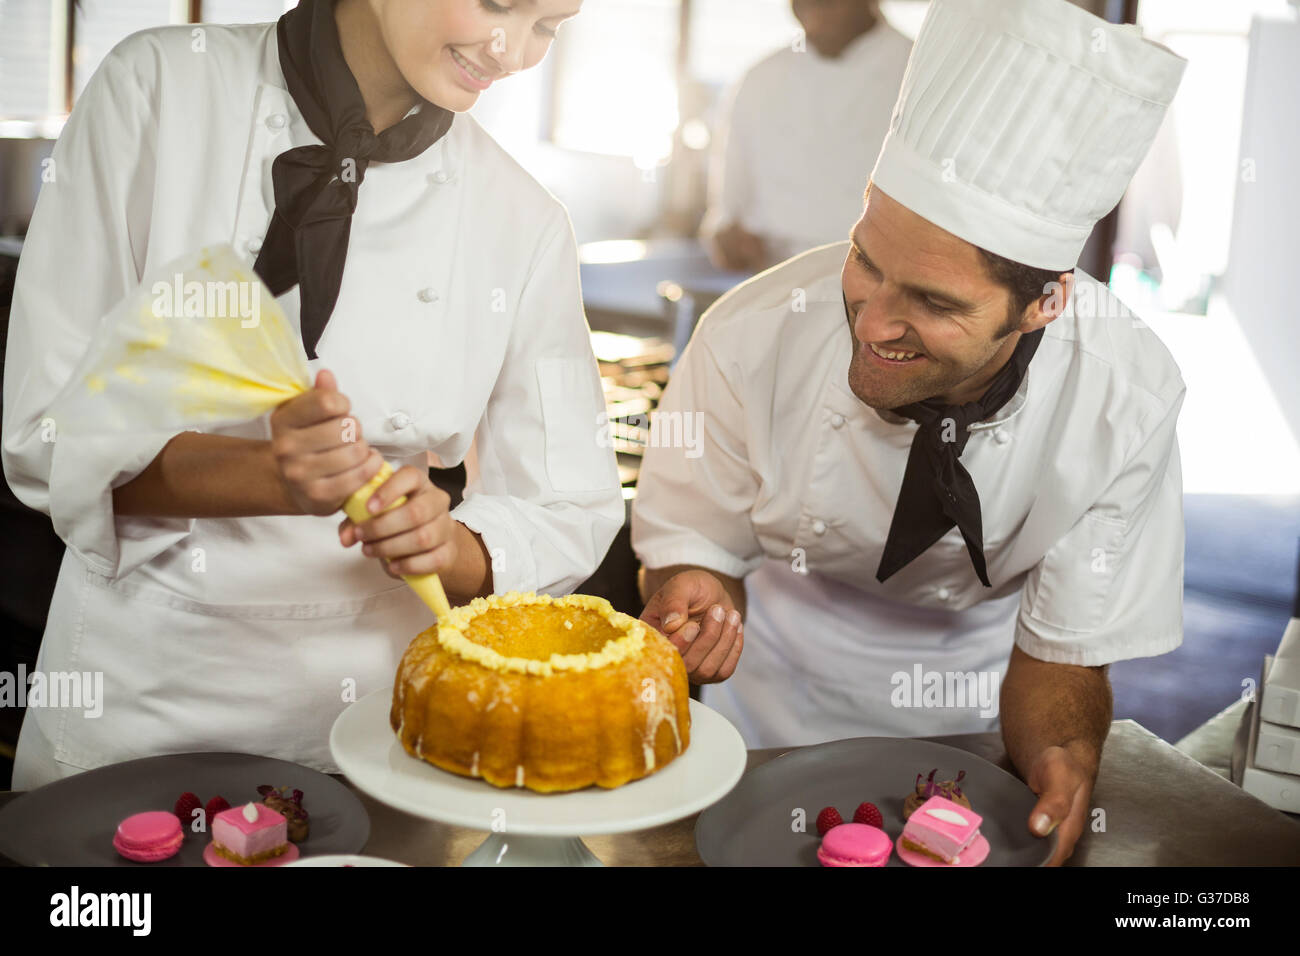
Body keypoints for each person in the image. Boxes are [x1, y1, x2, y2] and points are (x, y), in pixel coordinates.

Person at [2, 0, 622, 789]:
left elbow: (570, 501)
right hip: (139, 709)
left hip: (384, 727)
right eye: (499, 2)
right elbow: (43, 431)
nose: (512, 51)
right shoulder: (156, 87)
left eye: (550, 24)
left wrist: (450, 545)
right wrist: (276, 477)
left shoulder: (527, 218)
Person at [634, 0, 1188, 864]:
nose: (872, 321)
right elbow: (695, 540)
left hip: (975, 728)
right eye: (865, 258)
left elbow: (1063, 652)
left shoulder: (1124, 400)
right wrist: (697, 593)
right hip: (762, 707)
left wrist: (1058, 756)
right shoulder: (751, 333)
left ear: (1045, 302)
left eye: (932, 302)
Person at [700, 0, 911, 272]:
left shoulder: (919, 72)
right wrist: (725, 237)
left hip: (882, 284)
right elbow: (726, 212)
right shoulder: (760, 79)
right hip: (775, 281)